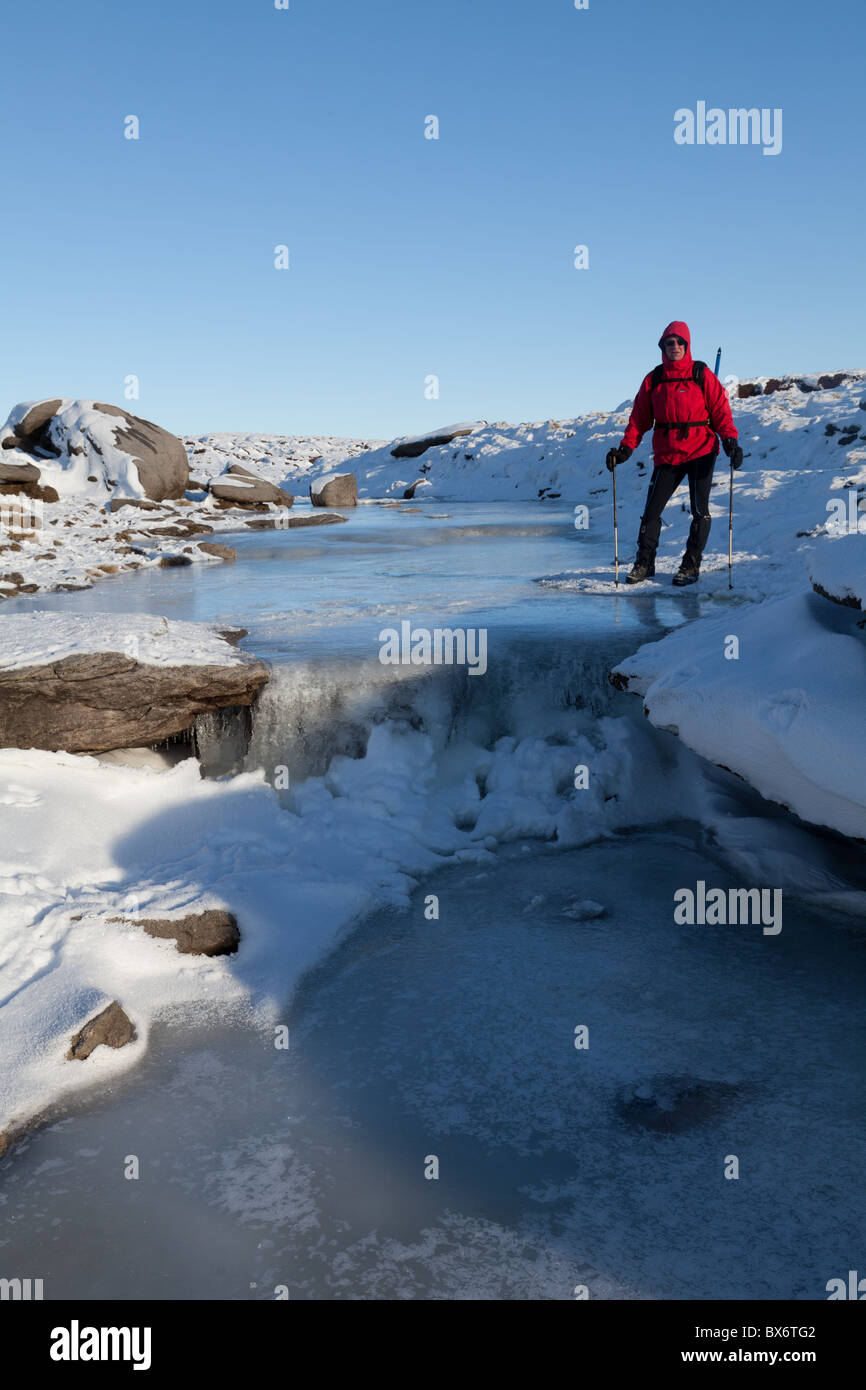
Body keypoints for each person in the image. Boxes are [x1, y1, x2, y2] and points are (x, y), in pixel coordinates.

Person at [606, 321, 743, 585]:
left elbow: (720, 412)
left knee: (699, 510)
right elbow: (639, 419)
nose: (675, 347)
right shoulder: (654, 379)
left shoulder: (701, 374)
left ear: (687, 345)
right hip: (668, 454)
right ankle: (644, 563)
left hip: (701, 450)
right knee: (651, 512)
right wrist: (625, 449)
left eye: (680, 342)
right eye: (670, 343)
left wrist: (730, 441)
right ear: (663, 347)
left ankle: (690, 566)